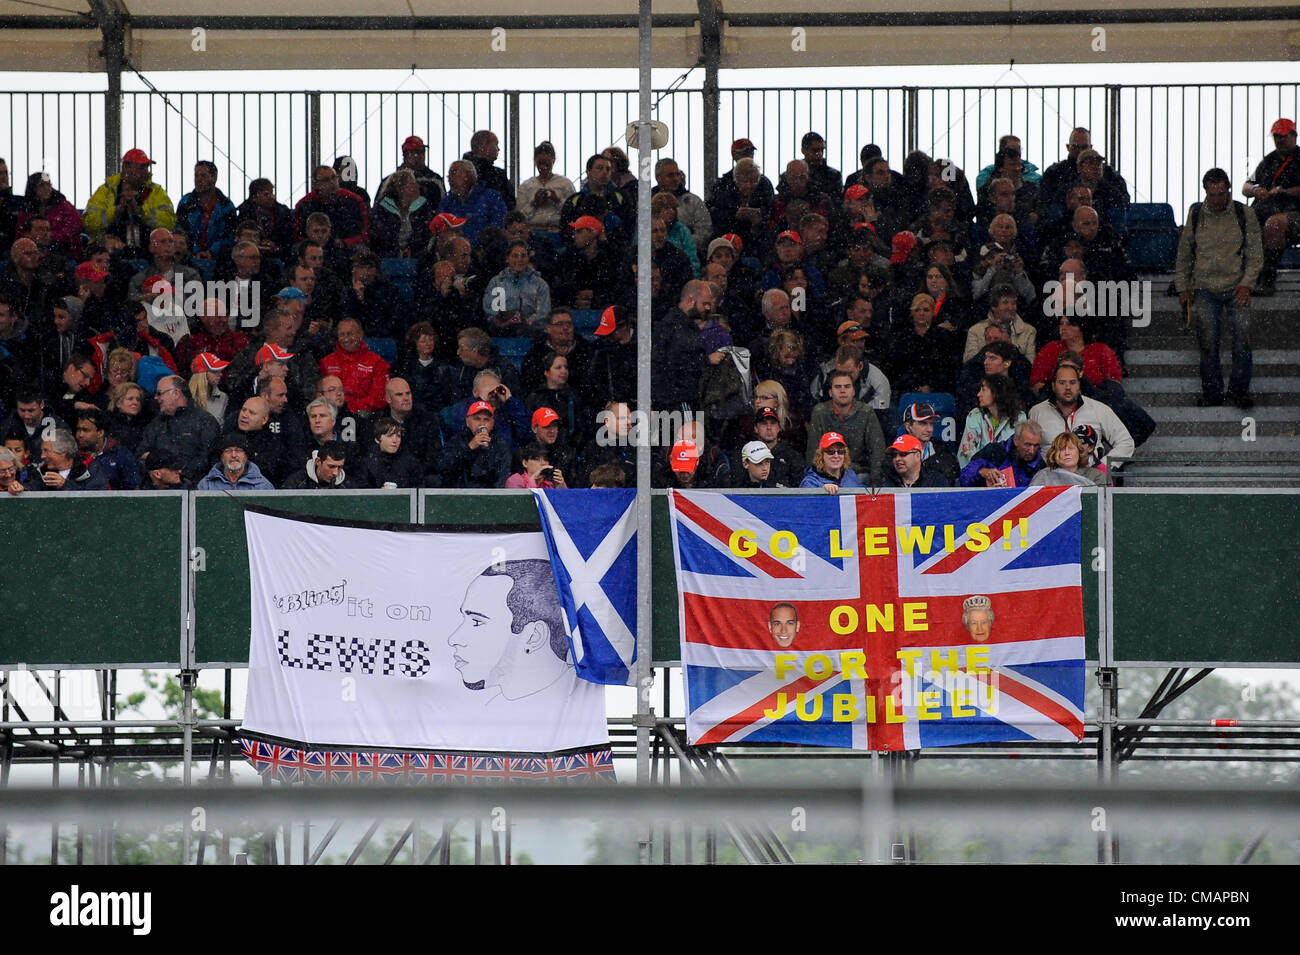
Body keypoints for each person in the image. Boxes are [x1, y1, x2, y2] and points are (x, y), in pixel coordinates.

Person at [1175, 167, 1265, 408]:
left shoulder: (1243, 214)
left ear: (1228, 190)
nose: (1216, 199)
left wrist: (1247, 284)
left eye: (1221, 194)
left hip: (1237, 285)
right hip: (1204, 287)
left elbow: (1255, 254)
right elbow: (1184, 253)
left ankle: (1239, 392)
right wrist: (1183, 287)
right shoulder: (1195, 214)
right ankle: (1212, 392)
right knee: (1207, 341)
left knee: (1243, 339)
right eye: (1212, 194)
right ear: (1205, 191)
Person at [447, 560, 579, 704]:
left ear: (534, 636)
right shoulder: (491, 709)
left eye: (477, 622)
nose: (453, 639)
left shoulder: (576, 707)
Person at [1029, 356, 1134, 470]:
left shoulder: (1098, 409)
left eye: (1073, 382)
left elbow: (1126, 442)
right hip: (1051, 481)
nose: (1068, 387)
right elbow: (1026, 447)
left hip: (1090, 480)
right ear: (1053, 386)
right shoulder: (1037, 412)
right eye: (1062, 383)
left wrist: (1103, 467)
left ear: (1079, 385)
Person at [1243, 118, 1300, 293]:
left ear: (1294, 136)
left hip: (1295, 214)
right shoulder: (1268, 160)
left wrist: (1285, 192)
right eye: (1276, 136)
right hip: (1266, 212)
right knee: (1240, 222)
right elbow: (1245, 186)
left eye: (1283, 136)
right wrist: (1255, 191)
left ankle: (1266, 280)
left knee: (1274, 224)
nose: (1279, 140)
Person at [83, 148, 176, 254]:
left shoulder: (156, 191)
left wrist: (141, 212)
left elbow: (169, 223)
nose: (146, 171)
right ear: (126, 168)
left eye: (147, 167)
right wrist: (116, 211)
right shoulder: (106, 191)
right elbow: (89, 224)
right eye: (141, 167)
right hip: (110, 252)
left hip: (149, 252)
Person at [136, 374, 220, 484]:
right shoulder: (155, 424)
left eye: (159, 393)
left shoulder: (205, 421)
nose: (156, 398)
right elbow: (140, 456)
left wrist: (178, 474)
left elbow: (209, 457)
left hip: (195, 488)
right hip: (160, 490)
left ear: (176, 393)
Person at [806, 368, 885, 485]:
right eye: (838, 387)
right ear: (830, 392)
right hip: (827, 474)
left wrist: (875, 483)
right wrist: (817, 478)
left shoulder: (866, 412)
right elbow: (813, 450)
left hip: (859, 473)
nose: (843, 390)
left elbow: (877, 450)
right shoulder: (820, 412)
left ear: (854, 391)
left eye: (847, 386)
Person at [318, 318, 390, 413]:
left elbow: (379, 397)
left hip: (366, 415)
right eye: (342, 335)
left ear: (360, 335)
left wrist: (351, 409)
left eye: (350, 333)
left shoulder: (377, 362)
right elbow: (320, 394)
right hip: (333, 413)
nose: (346, 338)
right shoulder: (326, 362)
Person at [481, 240, 552, 335]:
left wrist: (526, 322)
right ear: (507, 258)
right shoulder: (496, 282)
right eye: (515, 256)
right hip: (502, 334)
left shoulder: (540, 284)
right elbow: (490, 311)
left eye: (523, 256)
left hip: (532, 335)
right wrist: (507, 321)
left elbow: (544, 314)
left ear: (528, 258)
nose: (519, 260)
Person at [957, 372, 1027, 468]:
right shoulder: (975, 415)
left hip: (1010, 474)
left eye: (984, 390)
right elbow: (967, 453)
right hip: (979, 473)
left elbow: (1021, 452)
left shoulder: (1019, 417)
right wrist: (983, 470)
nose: (978, 394)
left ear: (997, 393)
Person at [437, 399, 511, 488]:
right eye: (477, 419)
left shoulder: (501, 445)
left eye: (486, 420)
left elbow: (503, 477)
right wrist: (469, 447)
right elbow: (443, 467)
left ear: (492, 423)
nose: (481, 423)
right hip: (460, 495)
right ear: (467, 421)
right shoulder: (456, 441)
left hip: (489, 497)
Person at [293, 165, 369, 249]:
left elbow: (364, 234)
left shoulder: (354, 201)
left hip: (346, 248)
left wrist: (345, 243)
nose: (332, 182)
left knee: (361, 249)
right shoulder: (304, 205)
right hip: (313, 247)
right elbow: (297, 235)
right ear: (316, 184)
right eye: (326, 180)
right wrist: (314, 243)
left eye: (334, 177)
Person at [175, 161, 237, 262]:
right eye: (196, 175)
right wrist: (195, 250)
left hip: (218, 258)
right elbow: (181, 230)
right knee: (179, 272)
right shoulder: (186, 202)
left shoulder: (226, 205)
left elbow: (229, 235)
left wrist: (212, 252)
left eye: (203, 176)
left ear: (214, 178)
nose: (198, 179)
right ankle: (178, 278)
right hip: (187, 255)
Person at [959, 418, 1046, 488]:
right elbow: (964, 478)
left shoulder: (1040, 465)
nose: (1032, 450)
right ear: (1016, 440)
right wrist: (982, 472)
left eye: (1036, 445)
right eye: (1027, 445)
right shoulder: (994, 451)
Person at [369, 168, 435, 258]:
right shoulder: (383, 207)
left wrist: (411, 250)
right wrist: (397, 251)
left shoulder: (423, 206)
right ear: (401, 188)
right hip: (386, 256)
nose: (417, 186)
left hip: (417, 256)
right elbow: (380, 236)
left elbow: (425, 234)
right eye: (412, 183)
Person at [21, 428, 109, 492]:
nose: (42, 456)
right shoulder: (42, 471)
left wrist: (66, 485)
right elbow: (33, 487)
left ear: (63, 452)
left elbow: (96, 500)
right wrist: (21, 488)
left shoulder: (90, 468)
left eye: (46, 451)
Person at [517, 141, 576, 236]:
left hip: (558, 232)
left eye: (546, 163)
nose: (543, 167)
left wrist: (557, 200)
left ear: (553, 160)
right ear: (535, 161)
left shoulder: (565, 184)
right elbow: (519, 217)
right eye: (540, 163)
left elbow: (573, 212)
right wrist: (534, 203)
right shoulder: (526, 186)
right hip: (532, 232)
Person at [75, 407, 141, 490]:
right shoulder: (73, 456)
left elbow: (132, 487)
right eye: (78, 430)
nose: (80, 435)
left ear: (100, 433)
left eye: (85, 430)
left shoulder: (120, 455)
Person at [902, 401, 961, 486]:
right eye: (923, 423)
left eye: (931, 423)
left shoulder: (944, 453)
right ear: (908, 427)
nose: (929, 429)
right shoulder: (894, 454)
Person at [358, 416, 424, 488]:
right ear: (377, 439)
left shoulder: (411, 462)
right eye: (390, 436)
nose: (395, 440)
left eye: (398, 436)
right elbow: (362, 493)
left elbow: (418, 490)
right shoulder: (367, 463)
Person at [197, 432, 274, 490]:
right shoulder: (207, 485)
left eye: (239, 450)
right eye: (228, 451)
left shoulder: (262, 485)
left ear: (246, 456)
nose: (233, 455)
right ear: (222, 456)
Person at [1031, 430, 1109, 487]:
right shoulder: (1043, 476)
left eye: (1071, 448)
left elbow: (1102, 505)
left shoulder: (1096, 476)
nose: (1067, 453)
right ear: (1054, 453)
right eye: (1062, 449)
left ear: (1079, 451)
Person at [282, 439, 355, 489]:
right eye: (331, 466)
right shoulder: (296, 483)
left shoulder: (348, 486)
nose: (335, 473)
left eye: (339, 467)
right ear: (318, 461)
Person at [884, 433, 950, 488]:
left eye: (903, 454)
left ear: (918, 456)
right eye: (894, 455)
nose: (897, 459)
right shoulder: (885, 483)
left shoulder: (936, 481)